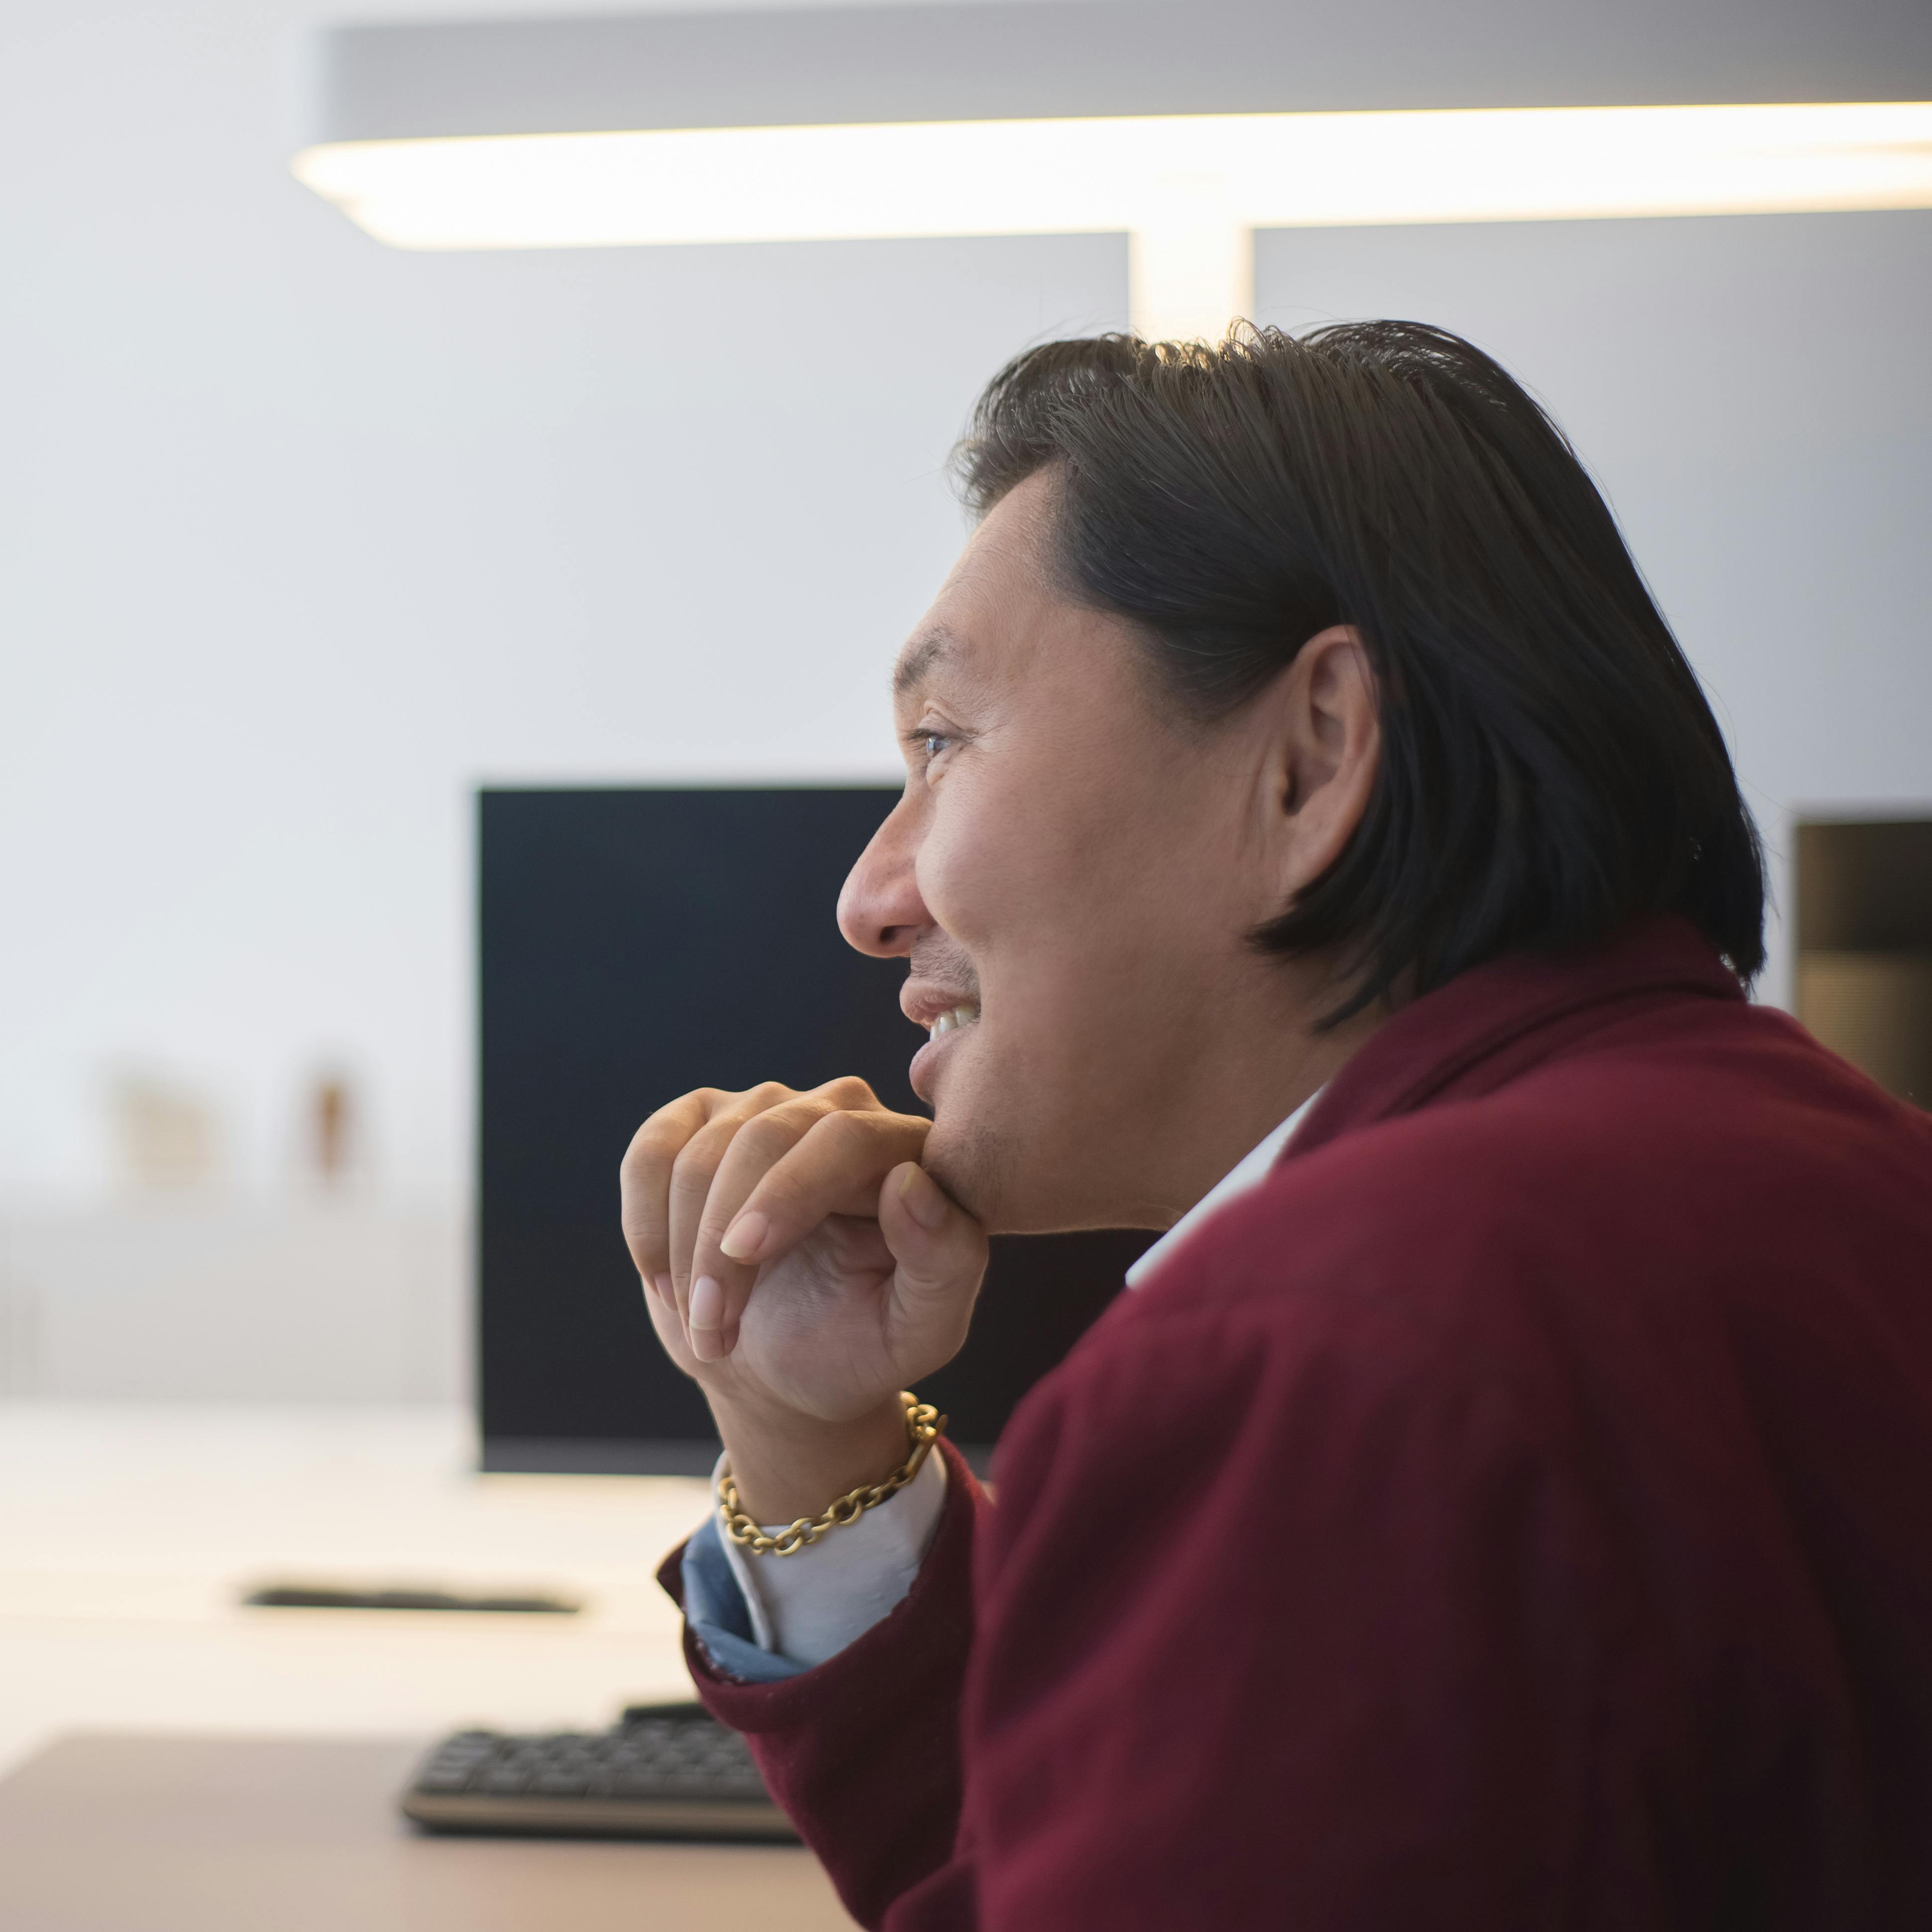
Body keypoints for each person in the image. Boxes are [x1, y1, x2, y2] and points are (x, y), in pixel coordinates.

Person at [618, 323, 1932, 1930]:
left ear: (1310, 759)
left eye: (945, 743)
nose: (870, 899)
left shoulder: (1323, 1353)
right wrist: (808, 1435)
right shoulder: (1842, 1184)